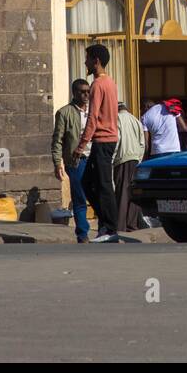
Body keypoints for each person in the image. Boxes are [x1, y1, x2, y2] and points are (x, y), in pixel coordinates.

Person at [72, 44, 121, 243]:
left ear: (96, 61)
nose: (85, 62)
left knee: (103, 184)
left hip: (103, 139)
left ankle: (110, 228)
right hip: (108, 139)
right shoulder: (110, 82)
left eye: (88, 58)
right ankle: (106, 223)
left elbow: (92, 118)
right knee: (89, 181)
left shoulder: (98, 85)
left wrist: (80, 146)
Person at [53, 79, 93, 243]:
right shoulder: (64, 113)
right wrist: (57, 162)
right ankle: (82, 234)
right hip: (76, 160)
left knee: (99, 194)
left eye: (88, 91)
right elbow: (57, 140)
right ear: (74, 93)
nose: (86, 95)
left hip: (95, 157)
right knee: (79, 197)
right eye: (82, 92)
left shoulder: (93, 111)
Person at [114, 100, 146, 233]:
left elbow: (116, 140)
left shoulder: (117, 119)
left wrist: (112, 160)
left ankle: (120, 225)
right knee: (133, 192)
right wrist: (139, 158)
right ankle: (131, 224)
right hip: (135, 159)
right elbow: (142, 143)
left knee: (122, 193)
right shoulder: (135, 120)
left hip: (122, 159)